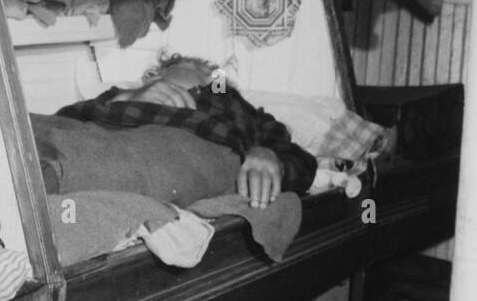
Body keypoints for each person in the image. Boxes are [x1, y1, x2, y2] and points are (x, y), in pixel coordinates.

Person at [54, 54, 317, 208]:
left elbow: (302, 161)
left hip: (172, 154)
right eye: (197, 67)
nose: (212, 75)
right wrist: (129, 95)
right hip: (100, 140)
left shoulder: (238, 109)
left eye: (215, 75)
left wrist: (268, 156)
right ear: (154, 75)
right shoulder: (121, 96)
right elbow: (63, 120)